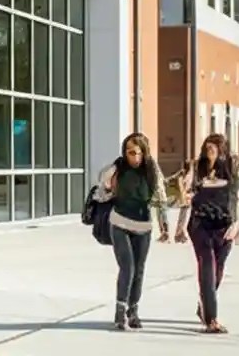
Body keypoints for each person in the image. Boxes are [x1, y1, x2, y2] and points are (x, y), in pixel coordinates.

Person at [92, 133, 170, 331]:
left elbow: (161, 197)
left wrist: (164, 225)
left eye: (138, 153)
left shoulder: (152, 169)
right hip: (119, 223)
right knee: (127, 267)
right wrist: (108, 184)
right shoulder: (118, 167)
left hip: (143, 226)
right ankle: (120, 312)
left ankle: (133, 311)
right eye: (130, 153)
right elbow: (102, 187)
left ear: (145, 152)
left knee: (139, 269)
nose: (135, 157)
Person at [176, 133, 239, 335]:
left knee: (218, 270)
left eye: (214, 148)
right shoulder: (197, 168)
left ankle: (204, 303)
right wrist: (180, 225)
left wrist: (237, 224)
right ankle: (211, 319)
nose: (210, 151)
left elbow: (238, 199)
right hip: (200, 224)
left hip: (224, 225)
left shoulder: (232, 168)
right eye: (207, 148)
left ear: (222, 151)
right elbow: (186, 195)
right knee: (207, 266)